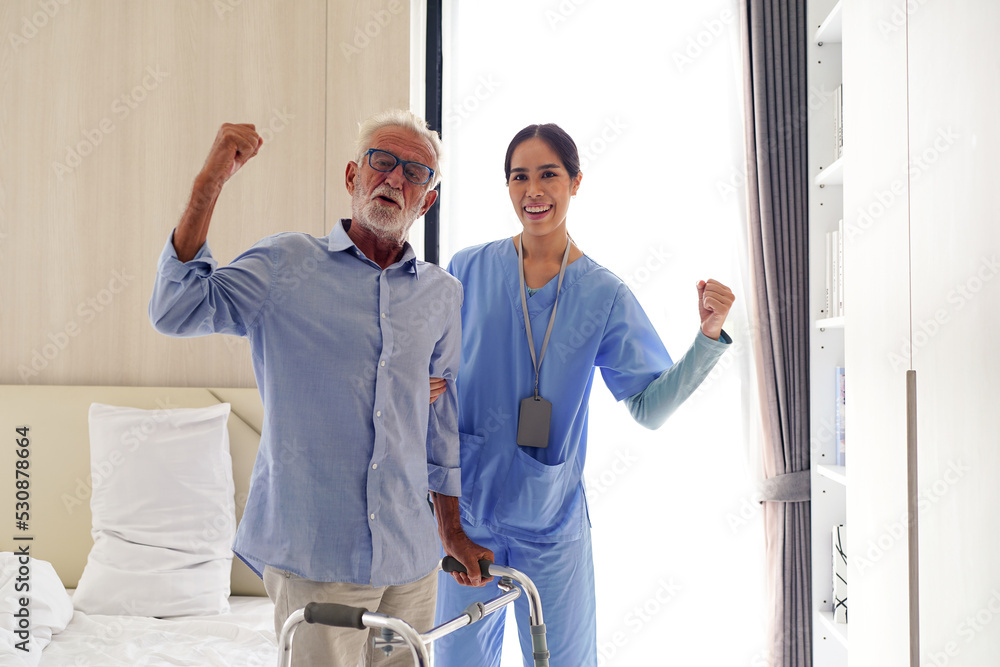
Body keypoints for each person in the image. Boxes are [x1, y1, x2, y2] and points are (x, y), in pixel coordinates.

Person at [149, 110, 491, 667]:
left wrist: (450, 530)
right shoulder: (286, 264)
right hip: (314, 554)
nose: (394, 180)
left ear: (426, 201)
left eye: (414, 173)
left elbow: (440, 422)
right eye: (382, 162)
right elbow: (175, 307)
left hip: (411, 559)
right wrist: (208, 184)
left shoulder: (441, 295)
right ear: (353, 176)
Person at [432, 123, 736, 666]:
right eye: (519, 177)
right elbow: (429, 368)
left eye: (549, 174)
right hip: (466, 517)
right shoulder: (467, 269)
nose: (534, 191)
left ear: (575, 181)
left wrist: (707, 337)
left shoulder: (603, 293)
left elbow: (650, 407)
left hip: (550, 525)